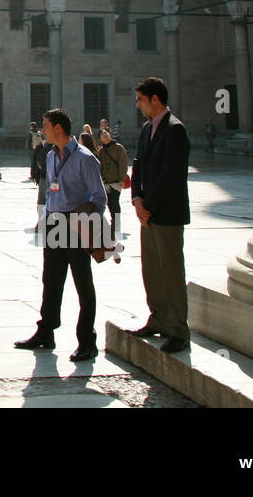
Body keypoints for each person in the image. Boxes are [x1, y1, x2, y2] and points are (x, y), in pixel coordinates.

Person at [14, 107, 107, 363]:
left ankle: (87, 340)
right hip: (55, 222)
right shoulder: (52, 155)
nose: (42, 130)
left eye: (45, 125)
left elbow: (100, 198)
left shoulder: (85, 158)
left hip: (76, 225)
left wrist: (88, 225)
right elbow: (51, 190)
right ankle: (46, 332)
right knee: (51, 281)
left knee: (82, 284)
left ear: (57, 128)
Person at [128, 76, 192, 353]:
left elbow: (171, 176)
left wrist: (148, 205)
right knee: (152, 269)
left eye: (141, 99)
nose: (138, 105)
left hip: (166, 212)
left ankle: (178, 329)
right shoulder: (146, 129)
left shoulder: (175, 130)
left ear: (155, 99)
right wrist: (136, 198)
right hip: (148, 212)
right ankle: (158, 319)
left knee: (170, 271)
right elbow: (138, 164)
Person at [98, 127, 128, 241]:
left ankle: (116, 226)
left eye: (106, 133)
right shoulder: (102, 150)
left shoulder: (118, 148)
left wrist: (122, 179)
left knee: (115, 204)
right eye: (102, 135)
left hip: (115, 181)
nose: (105, 136)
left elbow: (123, 163)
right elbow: (100, 166)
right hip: (106, 182)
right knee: (109, 204)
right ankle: (113, 224)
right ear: (100, 139)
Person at [27, 135, 49, 233]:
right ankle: (41, 221)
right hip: (43, 177)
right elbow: (35, 161)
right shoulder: (40, 147)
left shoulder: (55, 146)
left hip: (51, 178)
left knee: (46, 200)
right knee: (42, 201)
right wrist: (34, 175)